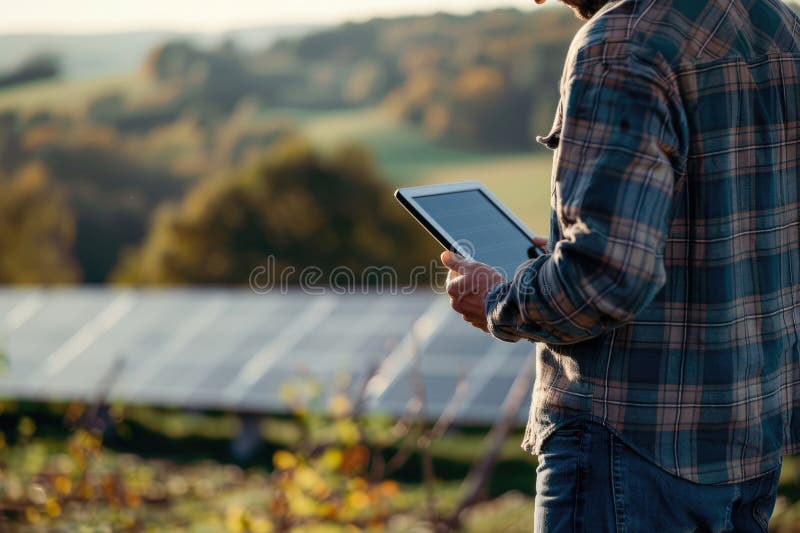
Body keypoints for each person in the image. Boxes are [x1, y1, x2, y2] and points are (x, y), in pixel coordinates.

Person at [442, 0, 800, 530]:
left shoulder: (621, 42)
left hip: (633, 446)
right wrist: (562, 263)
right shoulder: (780, 26)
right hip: (750, 438)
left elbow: (605, 278)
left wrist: (499, 299)